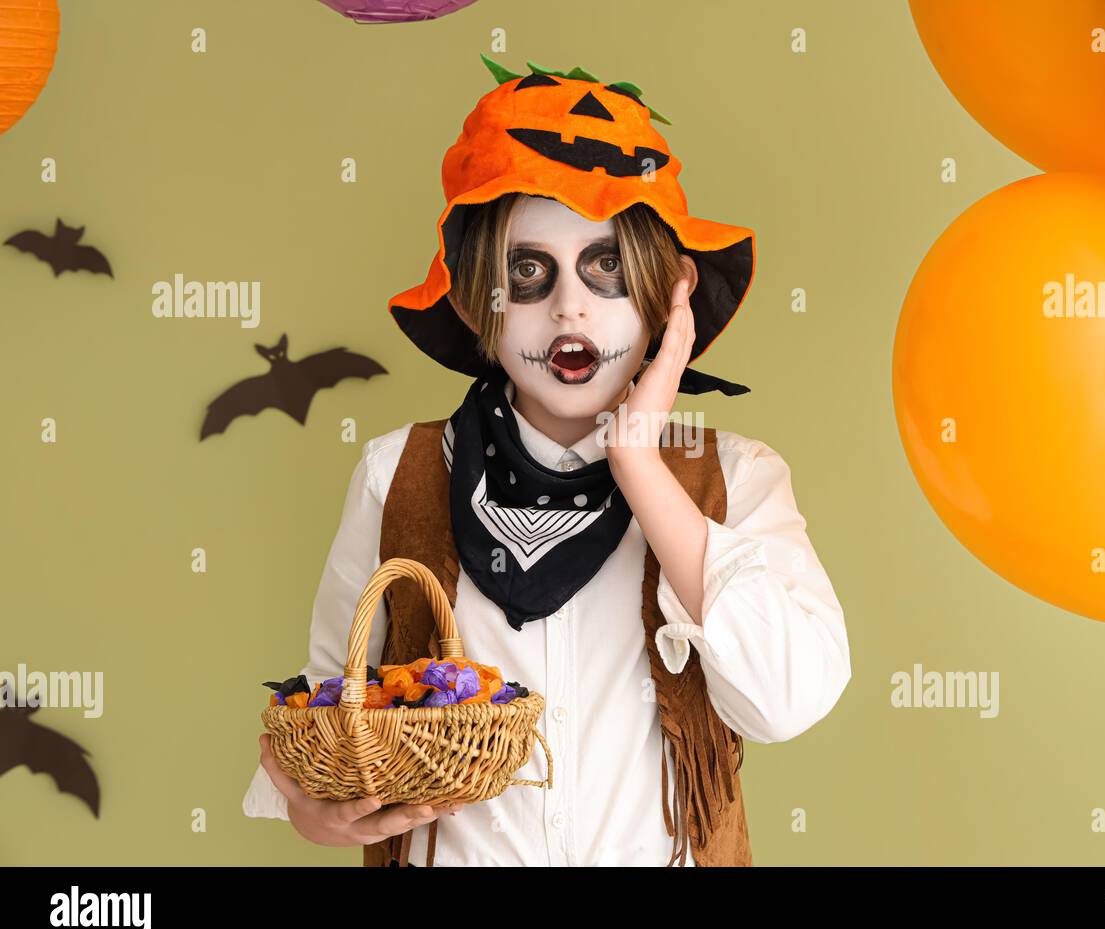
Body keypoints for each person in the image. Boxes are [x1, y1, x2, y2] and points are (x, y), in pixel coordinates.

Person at [243, 56, 850, 867]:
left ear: (664, 298)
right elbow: (326, 715)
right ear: (477, 304)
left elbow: (788, 700)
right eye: (528, 273)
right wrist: (320, 815)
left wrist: (638, 460)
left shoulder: (735, 477)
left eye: (605, 270)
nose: (569, 305)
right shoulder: (397, 474)